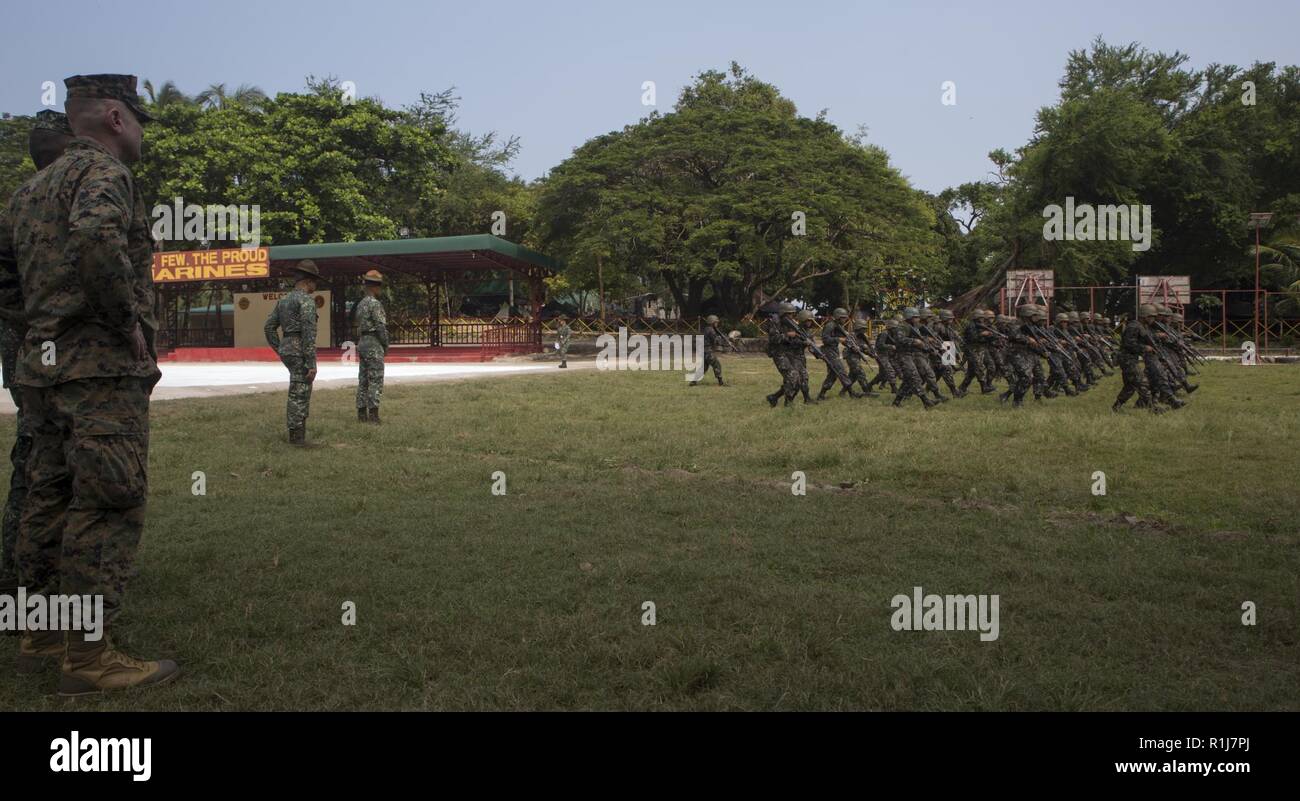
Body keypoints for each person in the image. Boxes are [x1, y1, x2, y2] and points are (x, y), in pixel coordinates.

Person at [0, 74, 180, 694]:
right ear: (113, 116)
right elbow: (99, 238)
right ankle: (89, 655)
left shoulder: (28, 191)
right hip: (99, 369)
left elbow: (7, 284)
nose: (139, 136)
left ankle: (43, 626)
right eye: (136, 121)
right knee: (108, 499)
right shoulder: (104, 175)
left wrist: (41, 329)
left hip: (42, 371)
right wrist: (121, 318)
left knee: (49, 491)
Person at [0, 111, 76, 604]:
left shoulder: (18, 205)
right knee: (50, 466)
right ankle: (29, 580)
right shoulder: (65, 201)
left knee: (35, 460)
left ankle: (21, 568)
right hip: (60, 358)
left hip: (28, 355)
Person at [265, 260, 321, 445]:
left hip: (288, 347)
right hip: (300, 349)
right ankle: (297, 437)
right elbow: (308, 332)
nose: (315, 286)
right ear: (308, 281)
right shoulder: (306, 300)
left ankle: (297, 434)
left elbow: (269, 327)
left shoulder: (284, 300)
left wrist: (279, 347)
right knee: (300, 392)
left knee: (297, 388)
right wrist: (311, 363)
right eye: (315, 282)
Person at [354, 270, 389, 423]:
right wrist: (385, 344)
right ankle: (374, 415)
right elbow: (380, 327)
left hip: (362, 342)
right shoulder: (375, 304)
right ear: (376, 287)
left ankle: (361, 413)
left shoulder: (360, 304)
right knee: (375, 379)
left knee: (363, 379)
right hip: (374, 342)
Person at [693, 314, 730, 387]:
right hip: (708, 351)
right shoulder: (711, 330)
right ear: (712, 322)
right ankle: (721, 382)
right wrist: (726, 341)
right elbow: (716, 341)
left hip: (704, 351)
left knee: (704, 368)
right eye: (716, 322)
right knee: (717, 364)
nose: (717, 323)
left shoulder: (707, 329)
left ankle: (693, 381)